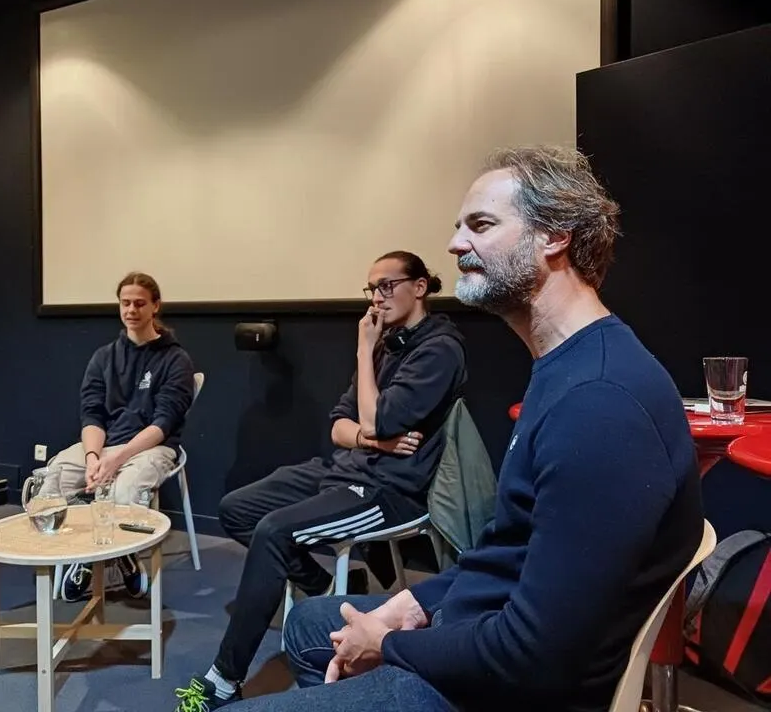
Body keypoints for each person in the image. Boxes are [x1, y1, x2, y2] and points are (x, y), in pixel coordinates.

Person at [225, 146, 704, 712]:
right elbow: (508, 548)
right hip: (488, 622)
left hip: (513, 688)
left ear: (554, 237)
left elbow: (536, 655)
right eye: (459, 227)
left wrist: (390, 644)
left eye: (480, 225)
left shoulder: (600, 402)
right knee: (308, 623)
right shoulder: (565, 366)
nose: (454, 245)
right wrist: (413, 604)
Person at [172, 251, 467, 711]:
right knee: (236, 509)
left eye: (387, 286)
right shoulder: (388, 344)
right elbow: (340, 425)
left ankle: (224, 679)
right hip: (345, 468)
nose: (377, 298)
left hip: (387, 492)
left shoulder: (439, 350)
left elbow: (373, 418)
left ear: (420, 286)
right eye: (371, 288)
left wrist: (363, 354)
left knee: (273, 532)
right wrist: (373, 438)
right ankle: (322, 585)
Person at [52, 272, 195, 601]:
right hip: (104, 445)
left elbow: (164, 423)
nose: (131, 310)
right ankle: (88, 553)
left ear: (155, 306)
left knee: (124, 491)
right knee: (54, 479)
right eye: (125, 303)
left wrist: (117, 458)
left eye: (139, 303)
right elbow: (92, 414)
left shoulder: (175, 359)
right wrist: (92, 457)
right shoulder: (104, 357)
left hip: (152, 447)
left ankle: (107, 560)